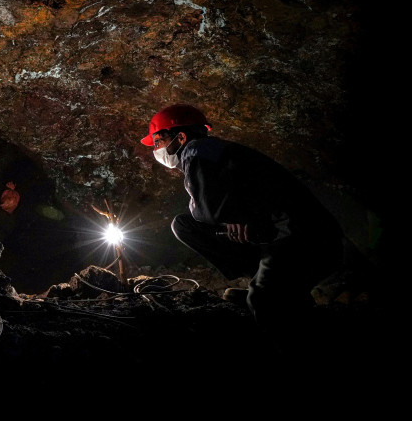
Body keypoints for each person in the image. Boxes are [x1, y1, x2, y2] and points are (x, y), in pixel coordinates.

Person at [143, 104, 343, 333]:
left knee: (263, 300)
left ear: (180, 137)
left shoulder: (196, 152)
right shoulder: (217, 152)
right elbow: (234, 201)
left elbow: (206, 212)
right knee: (185, 226)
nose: (156, 149)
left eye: (158, 141)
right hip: (282, 233)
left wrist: (228, 217)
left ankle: (277, 303)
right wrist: (234, 217)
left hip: (305, 240)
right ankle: (274, 284)